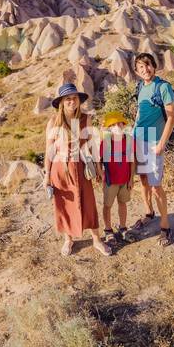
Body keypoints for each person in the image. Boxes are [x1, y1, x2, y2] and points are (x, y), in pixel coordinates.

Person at [42, 82, 112, 258]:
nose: (72, 101)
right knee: (64, 205)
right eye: (68, 99)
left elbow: (91, 145)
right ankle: (68, 239)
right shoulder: (53, 122)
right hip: (60, 170)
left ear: (79, 100)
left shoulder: (85, 118)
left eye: (74, 98)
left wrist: (98, 167)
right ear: (61, 102)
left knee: (88, 202)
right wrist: (46, 176)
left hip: (81, 167)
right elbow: (49, 151)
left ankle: (96, 239)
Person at [133, 52, 174, 246]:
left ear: (154, 66)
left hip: (154, 143)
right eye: (141, 67)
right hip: (139, 141)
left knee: (156, 185)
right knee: (143, 181)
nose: (145, 69)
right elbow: (139, 113)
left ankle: (165, 225)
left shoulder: (163, 87)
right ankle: (149, 213)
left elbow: (171, 117)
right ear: (137, 71)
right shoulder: (141, 86)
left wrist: (161, 143)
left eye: (148, 65)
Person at [97, 110, 135, 244]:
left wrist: (131, 179)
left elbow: (131, 161)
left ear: (124, 125)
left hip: (124, 180)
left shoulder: (129, 140)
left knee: (122, 203)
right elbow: (99, 160)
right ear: (109, 128)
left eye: (120, 123)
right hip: (110, 180)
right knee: (107, 205)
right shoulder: (106, 142)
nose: (117, 126)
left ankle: (123, 227)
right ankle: (108, 230)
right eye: (113, 124)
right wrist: (101, 174)